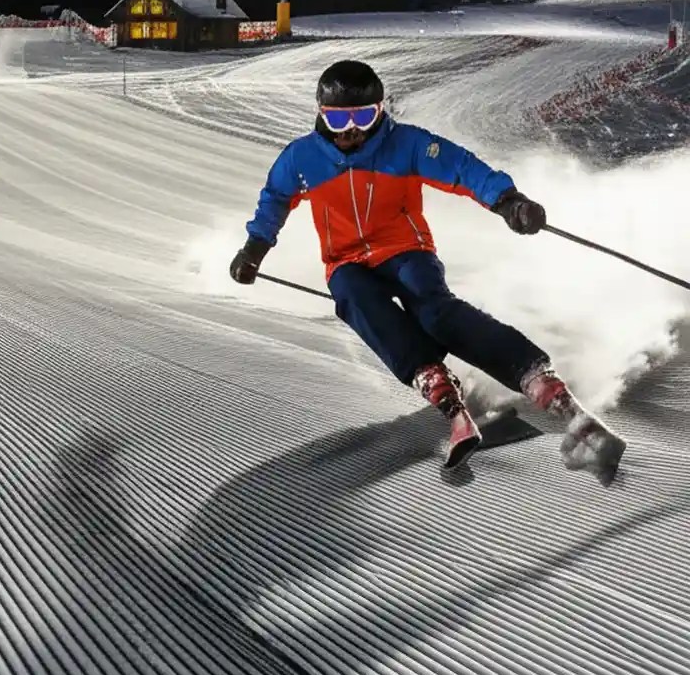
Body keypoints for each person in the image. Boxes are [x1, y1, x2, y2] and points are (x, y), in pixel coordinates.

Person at [229, 59, 625, 483]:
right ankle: (435, 383)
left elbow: (461, 168)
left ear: (379, 111)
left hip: (405, 251)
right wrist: (255, 247)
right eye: (338, 117)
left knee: (434, 311)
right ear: (320, 114)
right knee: (352, 295)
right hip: (346, 261)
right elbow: (275, 199)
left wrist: (508, 200)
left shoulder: (406, 145)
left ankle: (540, 382)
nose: (351, 130)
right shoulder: (302, 158)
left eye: (363, 116)